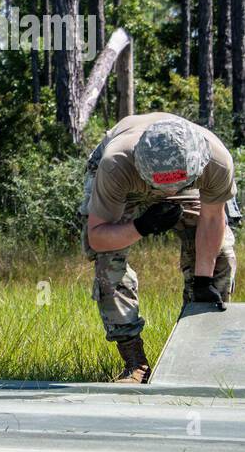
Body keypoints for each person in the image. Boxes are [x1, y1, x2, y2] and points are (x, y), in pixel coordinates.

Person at [81, 112, 237, 383]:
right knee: (108, 261)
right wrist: (140, 227)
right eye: (161, 188)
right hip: (130, 181)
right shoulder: (115, 164)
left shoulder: (216, 161)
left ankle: (195, 361)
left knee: (221, 256)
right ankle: (135, 364)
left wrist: (202, 279)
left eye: (172, 188)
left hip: (187, 175)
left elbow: (212, 219)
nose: (167, 194)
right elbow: (98, 236)